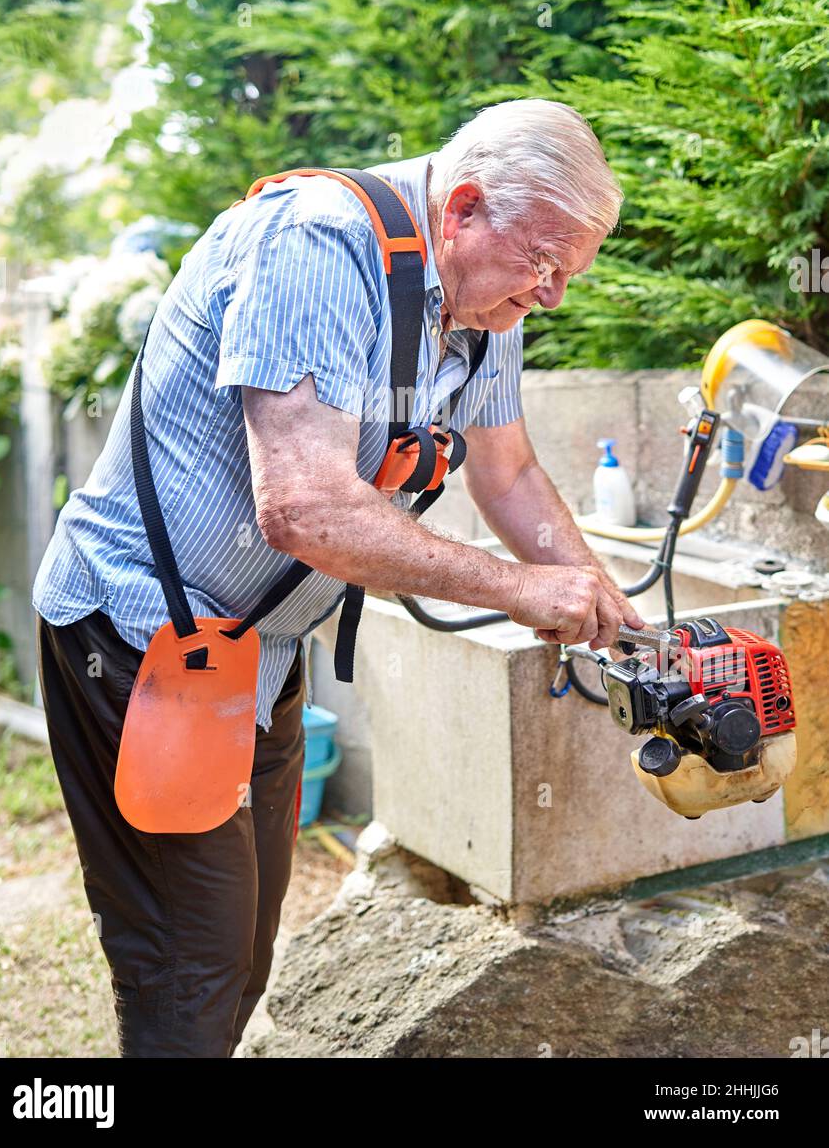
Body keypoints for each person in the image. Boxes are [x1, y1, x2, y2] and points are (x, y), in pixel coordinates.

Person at [33, 98, 644, 1057]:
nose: (554, 295)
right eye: (544, 265)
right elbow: (304, 509)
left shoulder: (481, 298)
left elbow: (508, 469)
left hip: (256, 653)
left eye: (565, 273)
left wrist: (602, 604)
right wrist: (522, 592)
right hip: (143, 631)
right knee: (188, 962)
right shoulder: (316, 249)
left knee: (245, 952)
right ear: (467, 206)